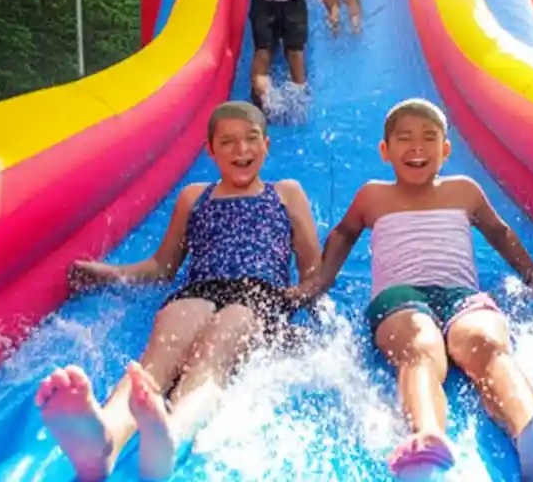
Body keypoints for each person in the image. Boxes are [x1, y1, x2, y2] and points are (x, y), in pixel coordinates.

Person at [287, 98, 533, 481]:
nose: (417, 147)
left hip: (461, 296)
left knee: (485, 342)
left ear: (446, 149)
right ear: (385, 151)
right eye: (404, 139)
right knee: (419, 347)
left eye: (429, 138)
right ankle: (426, 444)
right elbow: (343, 235)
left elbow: (500, 233)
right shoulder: (372, 196)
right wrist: (317, 283)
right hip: (400, 297)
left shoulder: (463, 190)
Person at [36, 101, 321, 481]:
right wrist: (107, 273)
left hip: (259, 294)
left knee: (216, 348)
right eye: (229, 142)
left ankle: (173, 433)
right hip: (199, 289)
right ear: (211, 150)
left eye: (251, 140)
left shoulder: (286, 193)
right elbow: (162, 267)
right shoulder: (194, 197)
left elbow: (312, 271)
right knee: (161, 350)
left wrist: (298, 299)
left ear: (267, 144)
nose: (242, 150)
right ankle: (106, 437)